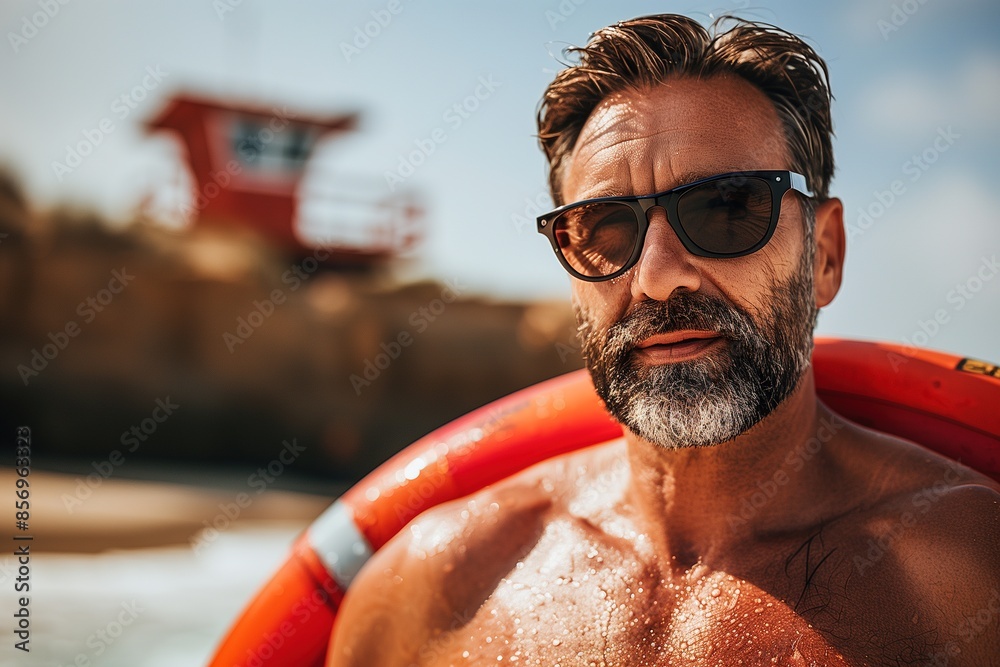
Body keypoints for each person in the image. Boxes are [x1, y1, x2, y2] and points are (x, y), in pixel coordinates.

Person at [328, 14, 1000, 666]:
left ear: (823, 253)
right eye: (603, 227)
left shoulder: (968, 573)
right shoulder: (435, 585)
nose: (655, 278)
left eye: (727, 207)